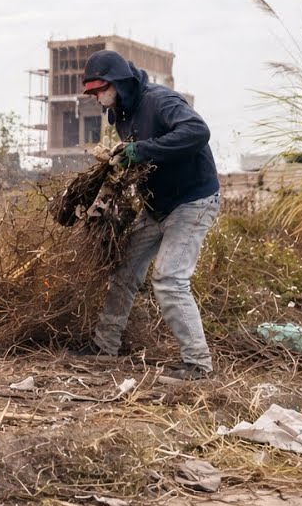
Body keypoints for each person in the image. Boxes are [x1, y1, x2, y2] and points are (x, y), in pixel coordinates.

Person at [73, 49, 220, 383]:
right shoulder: (122, 111)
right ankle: (105, 346)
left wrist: (140, 150)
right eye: (91, 92)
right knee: (123, 271)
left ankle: (198, 364)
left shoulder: (160, 100)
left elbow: (197, 131)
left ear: (118, 82)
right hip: (156, 206)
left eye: (98, 90)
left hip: (192, 201)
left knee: (169, 279)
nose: (95, 97)